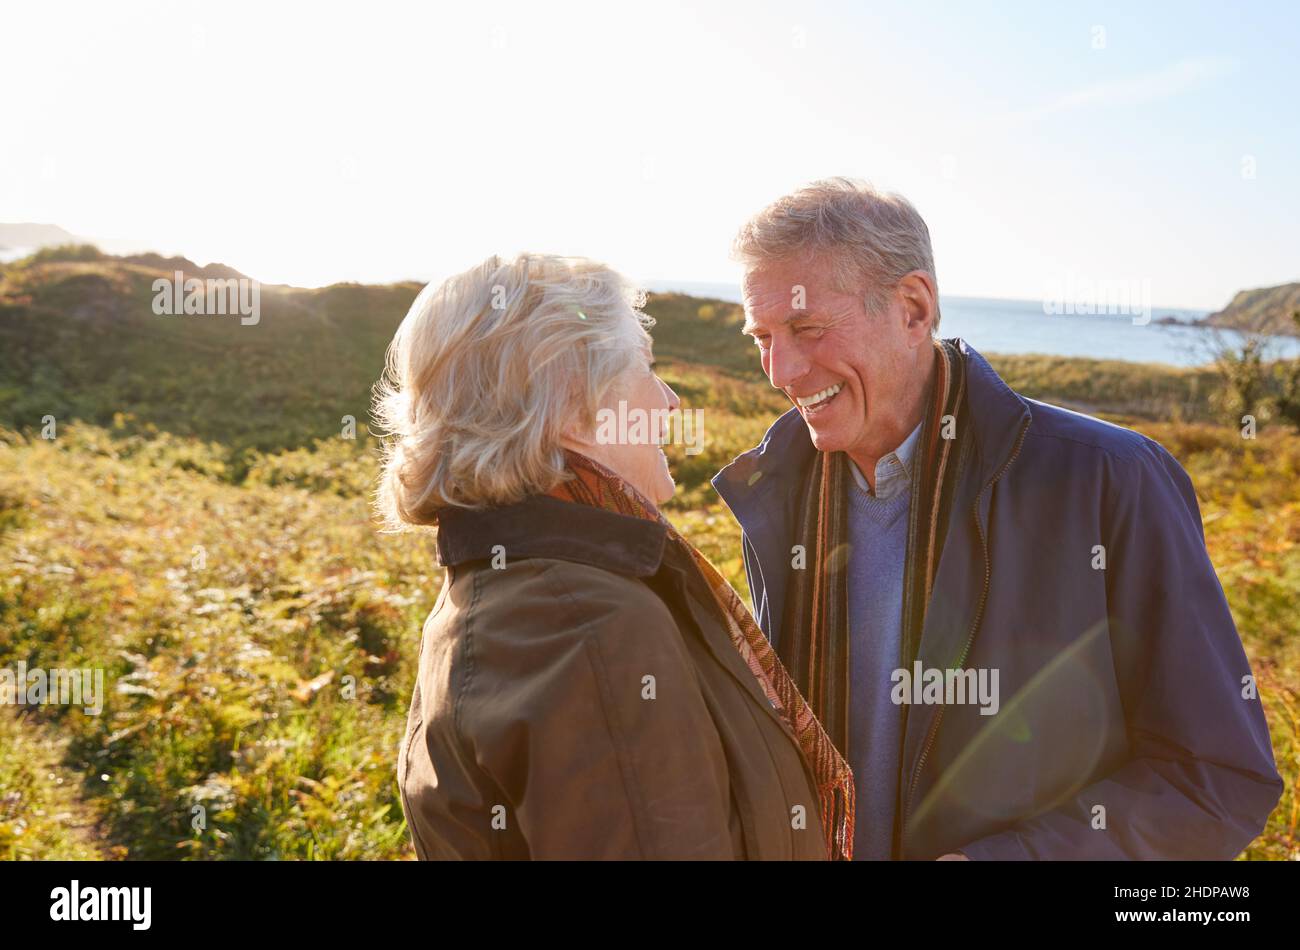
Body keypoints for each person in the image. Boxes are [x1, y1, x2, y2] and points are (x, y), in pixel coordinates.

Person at [713, 177, 1284, 860]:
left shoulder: (1110, 477)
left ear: (914, 309)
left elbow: (1217, 778)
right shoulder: (778, 488)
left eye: (807, 329)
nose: (781, 370)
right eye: (762, 337)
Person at [376, 253, 853, 859]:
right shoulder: (583, 624)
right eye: (646, 371)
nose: (670, 401)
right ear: (575, 399)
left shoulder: (513, 585)